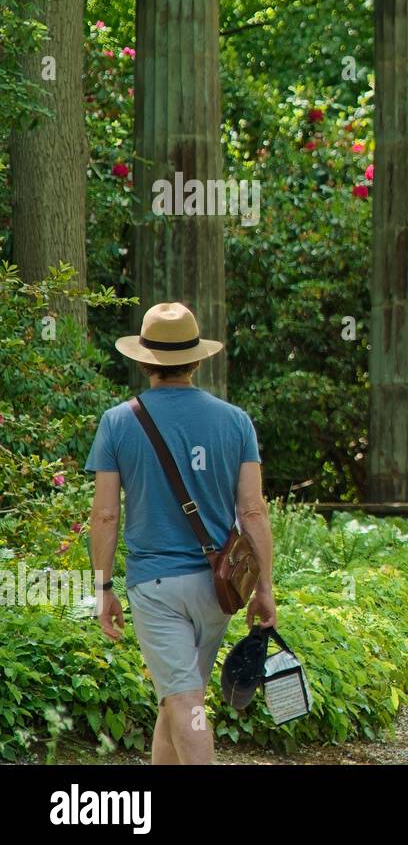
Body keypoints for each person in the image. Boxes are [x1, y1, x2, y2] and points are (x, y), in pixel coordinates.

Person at [88, 302, 276, 764]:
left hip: (155, 587)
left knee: (185, 704)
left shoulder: (117, 421)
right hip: (219, 586)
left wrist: (102, 586)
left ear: (144, 359)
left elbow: (106, 516)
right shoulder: (235, 421)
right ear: (196, 359)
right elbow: (252, 510)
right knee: (173, 702)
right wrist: (264, 587)